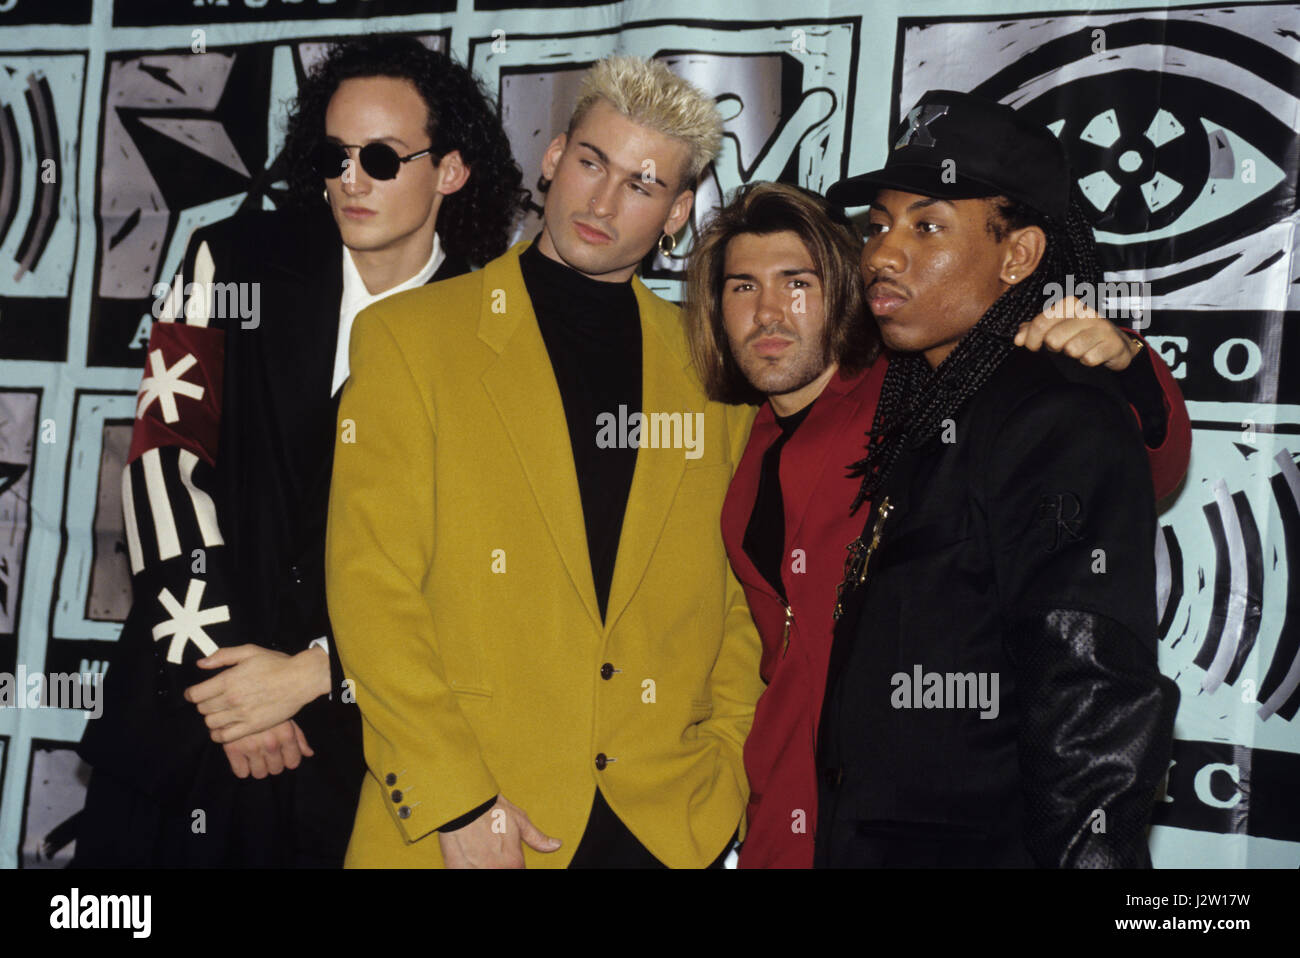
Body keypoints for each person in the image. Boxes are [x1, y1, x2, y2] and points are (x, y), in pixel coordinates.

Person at [74, 35, 527, 867]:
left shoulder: (490, 330)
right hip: (182, 725)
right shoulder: (233, 258)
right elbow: (164, 464)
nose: (350, 179)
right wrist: (232, 685)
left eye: (383, 158)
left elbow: (474, 566)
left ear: (452, 170)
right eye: (333, 154)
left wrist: (315, 673)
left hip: (346, 760)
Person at [325, 55, 763, 868]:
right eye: (592, 163)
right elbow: (369, 587)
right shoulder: (411, 340)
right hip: (468, 826)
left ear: (679, 213)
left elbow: (742, 601)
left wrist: (724, 768)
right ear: (554, 157)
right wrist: (455, 799)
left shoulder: (714, 371)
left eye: (641, 183)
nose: (602, 202)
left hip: (664, 829)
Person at [683, 182, 1189, 868]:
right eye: (742, 286)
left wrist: (1124, 364)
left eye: (796, 282)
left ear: (842, 289)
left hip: (917, 824)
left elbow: (1124, 471)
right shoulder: (744, 447)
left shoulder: (912, 402)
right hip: (782, 823)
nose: (768, 311)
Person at [814, 90, 1180, 867]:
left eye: (927, 226)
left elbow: (1092, 707)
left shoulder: (1057, 419)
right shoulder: (927, 407)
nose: (881, 253)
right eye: (877, 225)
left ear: (1018, 255)